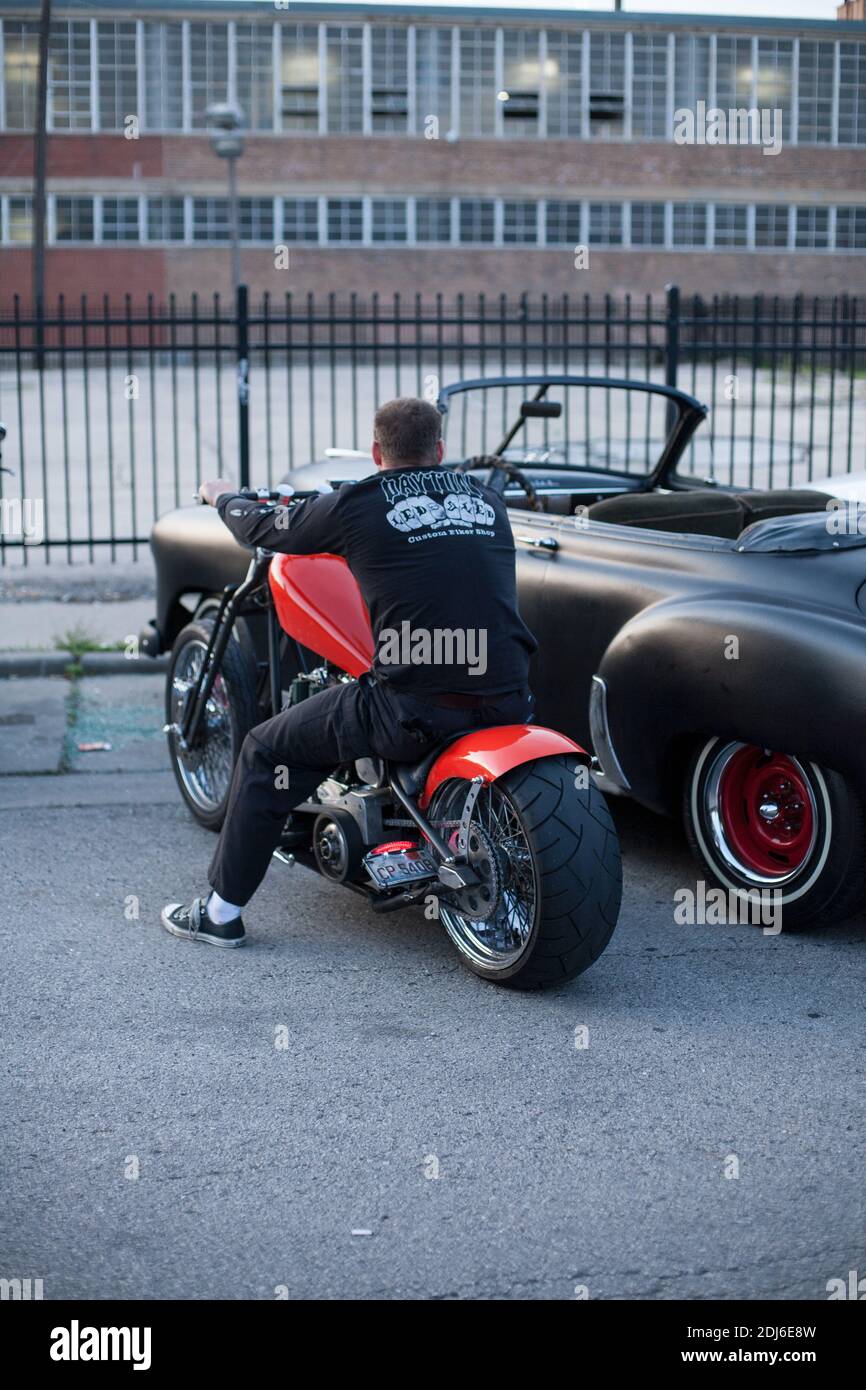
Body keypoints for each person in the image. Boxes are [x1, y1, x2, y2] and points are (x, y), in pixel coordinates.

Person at [161, 397, 537, 947]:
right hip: (510, 696)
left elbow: (263, 528)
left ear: (375, 453)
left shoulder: (356, 506)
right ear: (440, 449)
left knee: (266, 750)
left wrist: (222, 495)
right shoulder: (487, 500)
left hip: (413, 708)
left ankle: (219, 915)